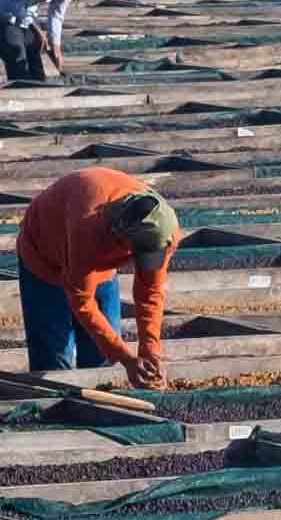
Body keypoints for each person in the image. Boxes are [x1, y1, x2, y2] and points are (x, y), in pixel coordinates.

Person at [14, 165, 179, 387]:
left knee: (101, 359)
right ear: (122, 238)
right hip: (44, 259)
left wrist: (150, 349)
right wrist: (127, 359)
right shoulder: (87, 230)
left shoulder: (164, 232)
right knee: (55, 357)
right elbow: (82, 302)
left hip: (98, 262)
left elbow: (150, 292)